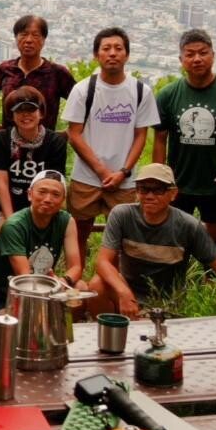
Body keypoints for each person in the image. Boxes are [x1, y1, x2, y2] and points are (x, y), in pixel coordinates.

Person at [90, 164, 216, 316]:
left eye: (158, 190)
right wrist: (123, 292)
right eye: (143, 189)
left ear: (173, 194)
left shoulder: (188, 225)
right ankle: (110, 330)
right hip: (128, 292)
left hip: (167, 302)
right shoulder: (122, 215)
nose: (150, 196)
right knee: (96, 285)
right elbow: (103, 262)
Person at [64, 27, 159, 263]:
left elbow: (141, 135)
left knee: (122, 237)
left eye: (118, 48)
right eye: (106, 48)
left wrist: (123, 171)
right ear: (96, 55)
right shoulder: (83, 89)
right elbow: (74, 134)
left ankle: (112, 281)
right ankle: (77, 276)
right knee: (78, 233)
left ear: (127, 54)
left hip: (124, 179)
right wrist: (102, 171)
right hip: (86, 176)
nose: (113, 53)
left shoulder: (141, 91)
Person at [153, 29, 216, 257]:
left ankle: (212, 275)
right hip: (179, 182)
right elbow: (160, 139)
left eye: (203, 53)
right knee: (173, 242)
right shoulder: (168, 95)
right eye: (190, 54)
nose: (197, 59)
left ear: (213, 55)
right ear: (181, 59)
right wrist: (160, 179)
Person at [0, 170, 83, 311]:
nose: (48, 199)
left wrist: (63, 281)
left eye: (56, 195)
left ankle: (70, 324)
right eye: (42, 192)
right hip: (6, 294)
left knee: (80, 287)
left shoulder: (66, 221)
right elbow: (25, 277)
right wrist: (54, 285)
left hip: (45, 288)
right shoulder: (14, 225)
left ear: (63, 200)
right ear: (30, 194)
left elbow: (76, 267)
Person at [0, 15, 76, 133]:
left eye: (35, 35)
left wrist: (69, 132)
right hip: (8, 141)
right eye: (23, 34)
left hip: (45, 142)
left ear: (43, 40)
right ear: (16, 38)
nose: (28, 40)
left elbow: (80, 101)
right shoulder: (6, 69)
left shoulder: (56, 73)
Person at [0, 86, 69, 218]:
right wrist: (11, 220)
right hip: (8, 208)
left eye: (31, 109)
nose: (25, 114)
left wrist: (39, 219)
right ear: (12, 115)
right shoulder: (1, 139)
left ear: (41, 113)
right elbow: (2, 183)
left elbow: (53, 184)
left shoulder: (55, 142)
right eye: (19, 110)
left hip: (43, 209)